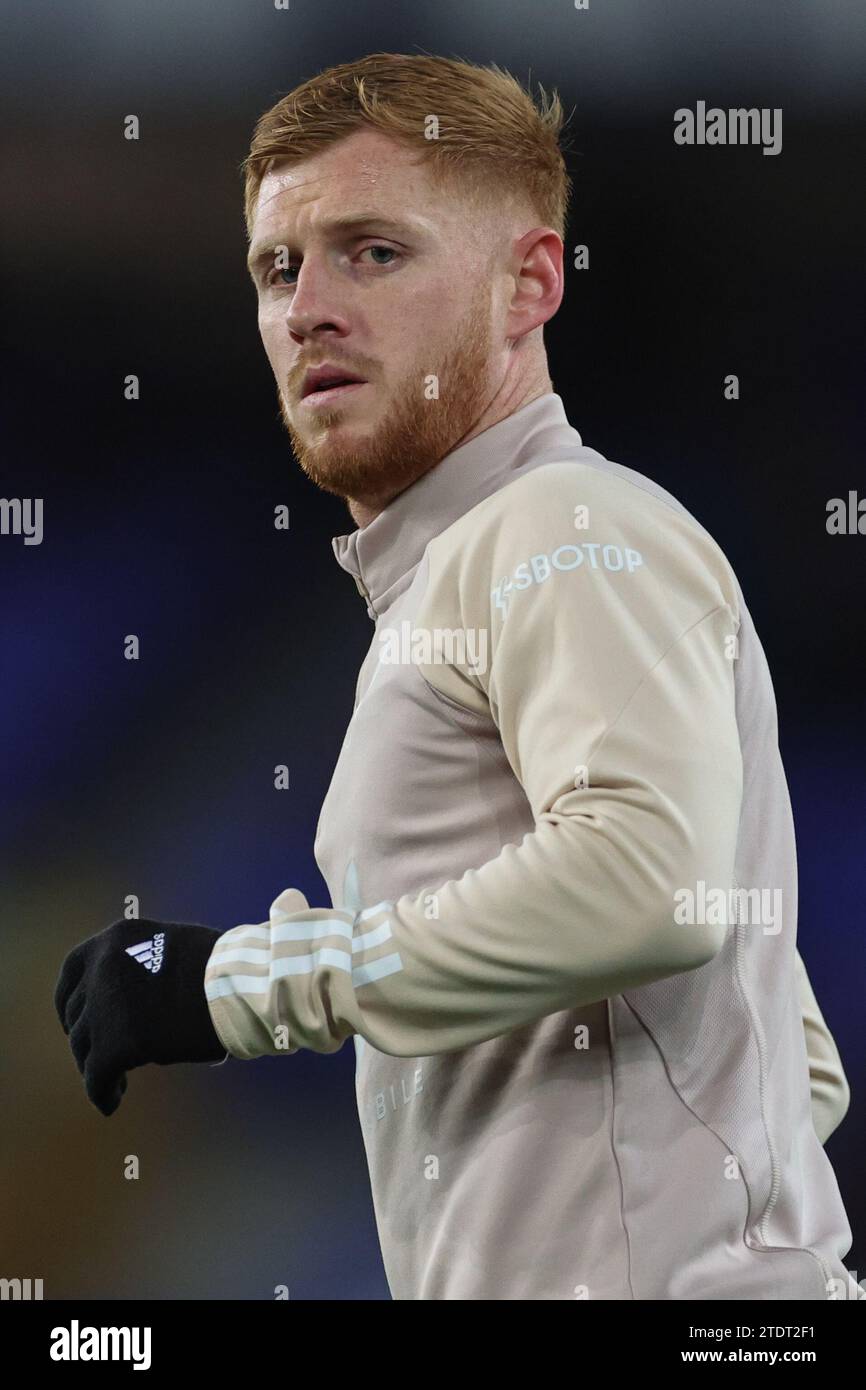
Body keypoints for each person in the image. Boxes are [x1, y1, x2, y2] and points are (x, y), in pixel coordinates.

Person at [56, 53, 859, 1301]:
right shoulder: (472, 574)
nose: (308, 306)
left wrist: (242, 984)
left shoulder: (558, 529)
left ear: (528, 283)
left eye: (373, 251)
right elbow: (790, 1056)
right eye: (279, 267)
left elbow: (651, 883)